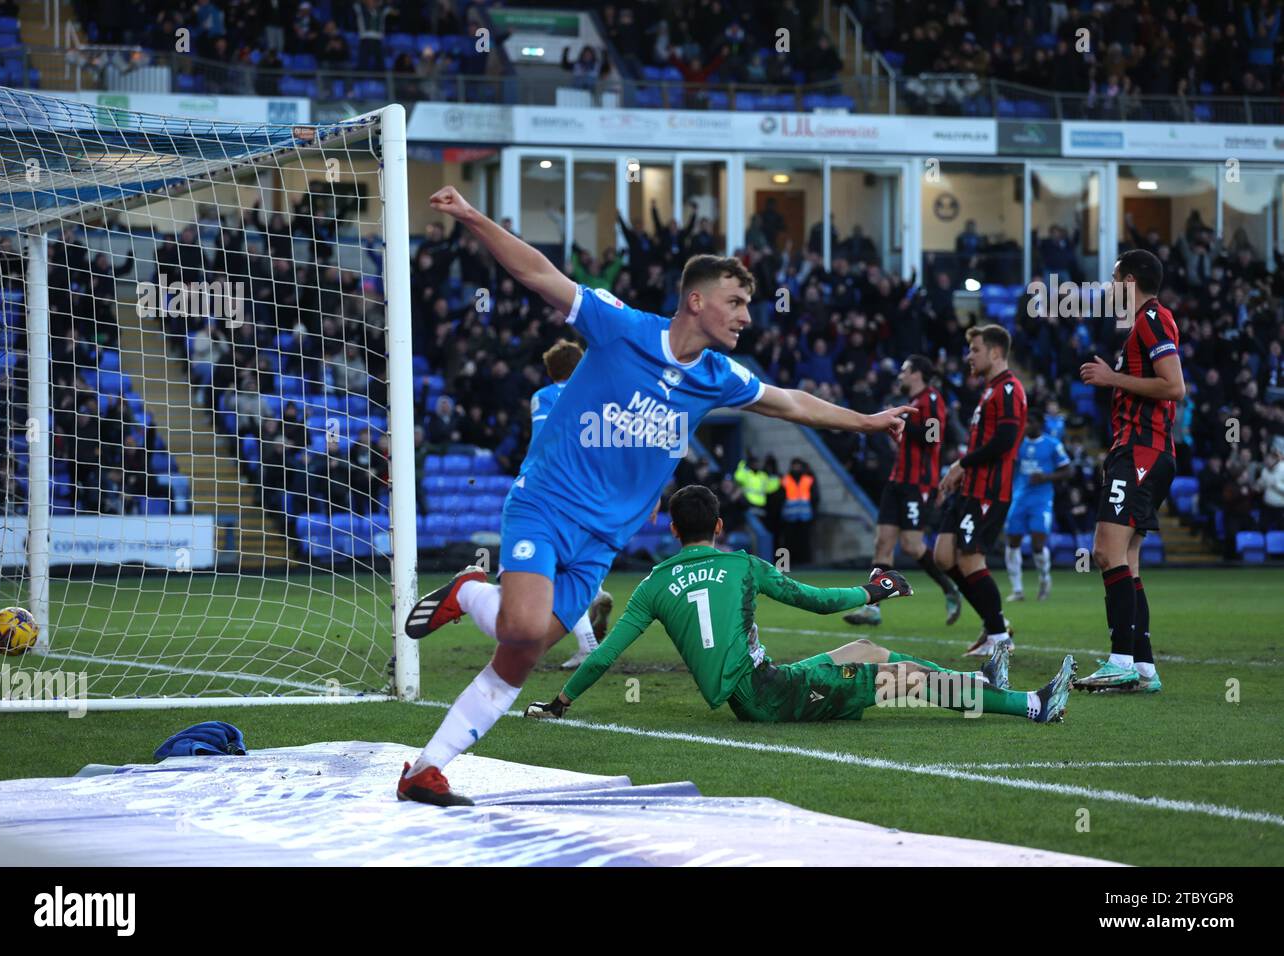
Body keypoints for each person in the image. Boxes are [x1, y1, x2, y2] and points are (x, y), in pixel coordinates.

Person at [396, 185, 914, 806]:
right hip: (547, 504)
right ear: (696, 301)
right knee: (524, 623)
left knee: (525, 650)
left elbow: (792, 403)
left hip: (603, 539)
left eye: (749, 303)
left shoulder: (719, 377)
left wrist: (866, 420)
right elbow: (538, 272)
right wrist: (472, 217)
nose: (748, 315)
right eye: (736, 302)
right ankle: (467, 590)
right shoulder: (620, 327)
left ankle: (426, 768)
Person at [524, 485, 1075, 726]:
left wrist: (559, 701)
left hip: (764, 688)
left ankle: (989, 687)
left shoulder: (652, 584)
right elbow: (815, 601)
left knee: (867, 648)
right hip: (771, 697)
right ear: (719, 527)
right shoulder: (744, 564)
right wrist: (872, 591)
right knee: (904, 677)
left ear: (671, 530)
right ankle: (1029, 704)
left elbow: (604, 654)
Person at [1075, 249, 1183, 694]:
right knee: (1128, 559)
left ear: (1131, 279)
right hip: (1143, 450)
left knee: (1105, 551)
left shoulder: (1152, 319)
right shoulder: (1145, 322)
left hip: (1142, 450)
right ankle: (1142, 667)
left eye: (1114, 277)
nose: (1109, 286)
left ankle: (1119, 659)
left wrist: (1111, 378)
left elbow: (1174, 385)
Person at [845, 354, 962, 628]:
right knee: (882, 543)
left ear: (918, 373)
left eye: (905, 370)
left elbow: (933, 438)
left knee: (911, 545)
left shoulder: (931, 399)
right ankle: (872, 608)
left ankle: (950, 589)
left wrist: (902, 423)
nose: (900, 375)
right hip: (898, 480)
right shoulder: (912, 404)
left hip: (917, 483)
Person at [933, 324, 1027, 657]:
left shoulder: (1009, 390)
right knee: (943, 556)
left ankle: (998, 636)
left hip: (990, 491)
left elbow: (1003, 442)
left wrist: (962, 464)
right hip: (970, 488)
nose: (968, 356)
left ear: (995, 352)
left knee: (972, 560)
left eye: (975, 350)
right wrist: (962, 471)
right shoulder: (989, 390)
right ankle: (994, 622)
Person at [528, 339, 613, 670]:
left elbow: (543, 441)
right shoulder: (600, 399)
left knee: (558, 573)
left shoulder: (544, 396)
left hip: (556, 489)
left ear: (551, 372)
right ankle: (596, 594)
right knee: (577, 562)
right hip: (595, 492)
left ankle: (587, 641)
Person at [1004, 409, 1073, 602]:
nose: (1025, 426)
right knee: (1012, 542)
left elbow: (1068, 471)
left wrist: (1046, 477)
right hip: (1019, 498)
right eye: (1024, 423)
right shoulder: (1017, 444)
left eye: (1029, 423)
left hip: (1042, 500)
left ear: (1038, 424)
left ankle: (1044, 579)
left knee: (1037, 545)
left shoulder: (1052, 445)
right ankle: (1017, 590)